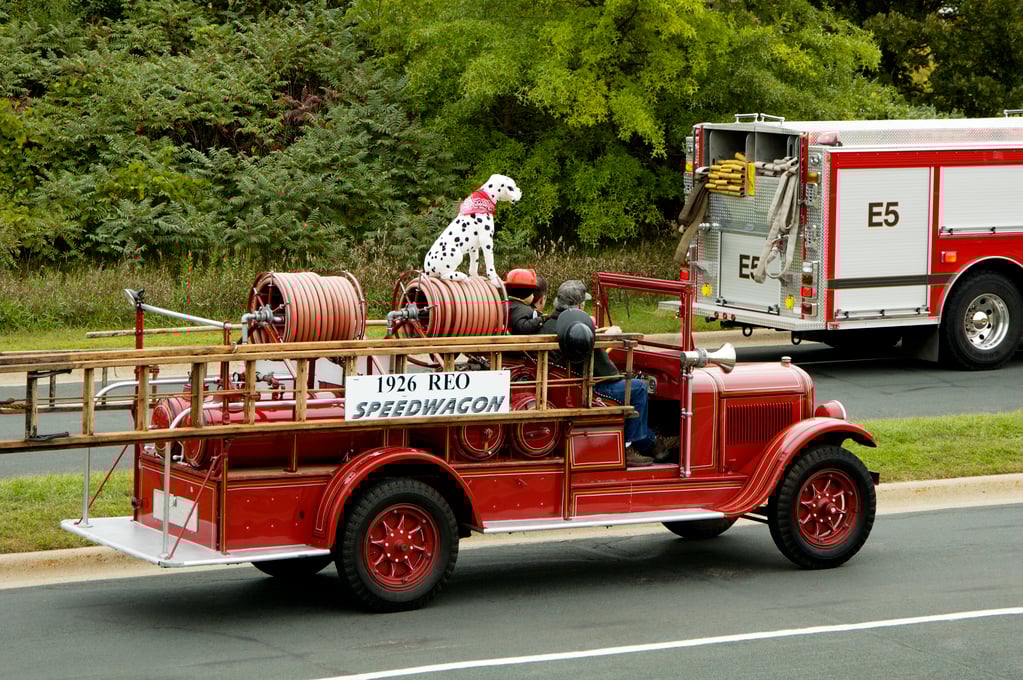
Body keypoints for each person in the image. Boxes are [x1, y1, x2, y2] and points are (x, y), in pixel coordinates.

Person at [541, 280, 673, 467]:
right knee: (639, 388)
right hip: (587, 388)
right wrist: (608, 337)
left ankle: (650, 441)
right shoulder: (578, 330)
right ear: (579, 305)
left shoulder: (548, 325)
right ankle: (631, 446)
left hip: (566, 383)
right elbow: (606, 371)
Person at [504, 268, 546, 335]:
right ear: (527, 294)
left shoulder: (504, 304)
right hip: (515, 343)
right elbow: (522, 327)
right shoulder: (524, 309)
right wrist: (541, 319)